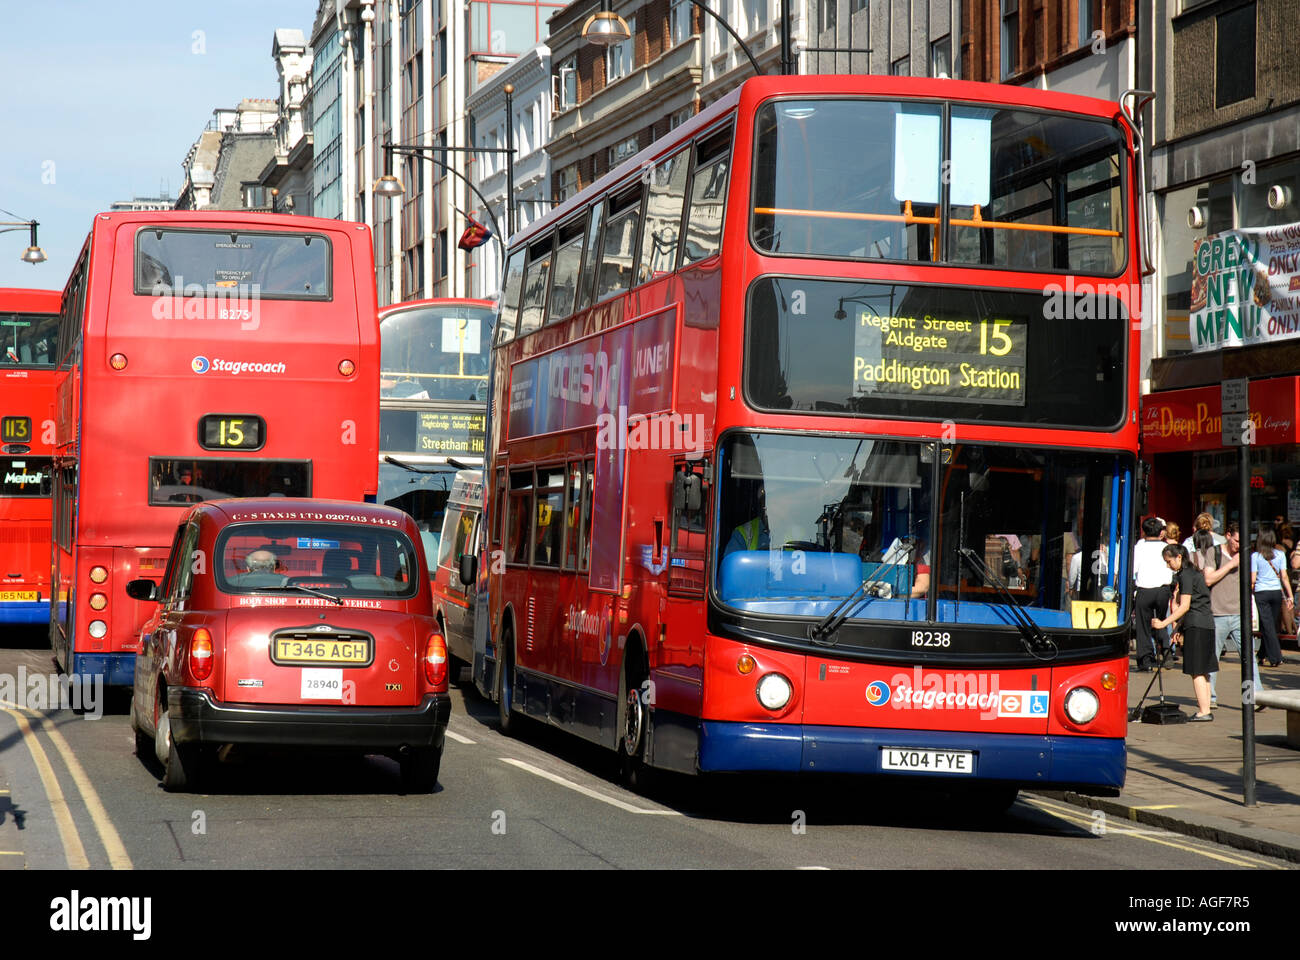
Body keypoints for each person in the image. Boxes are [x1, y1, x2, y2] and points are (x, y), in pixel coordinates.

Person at [1197, 522, 1261, 709]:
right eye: (1236, 541)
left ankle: (1253, 697)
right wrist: (1231, 564)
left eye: (1243, 542)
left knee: (1248, 657)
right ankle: (1210, 698)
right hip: (1217, 613)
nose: (1239, 545)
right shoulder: (1213, 553)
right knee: (1212, 658)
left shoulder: (1246, 555)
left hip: (1240, 614)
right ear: (1227, 535)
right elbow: (1208, 579)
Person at [1151, 544, 1217, 721]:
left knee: (1197, 670)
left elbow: (1185, 606)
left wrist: (1164, 623)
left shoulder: (1186, 575)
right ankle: (1206, 707)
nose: (1168, 565)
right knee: (1204, 670)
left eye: (1169, 561)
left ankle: (1204, 711)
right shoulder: (1193, 573)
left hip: (1197, 625)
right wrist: (1178, 627)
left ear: (1179, 557)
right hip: (1206, 623)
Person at [1132, 516, 1173, 671]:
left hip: (1144, 589)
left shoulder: (1139, 548)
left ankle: (1146, 659)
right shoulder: (1166, 547)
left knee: (1143, 625)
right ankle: (1166, 651)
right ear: (1160, 532)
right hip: (1163, 589)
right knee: (1161, 620)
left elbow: (1133, 569)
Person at [1251, 528, 1293, 667]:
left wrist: (1250, 594)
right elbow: (1284, 577)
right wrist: (1290, 596)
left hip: (1261, 592)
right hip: (1276, 592)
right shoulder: (1280, 555)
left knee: (1267, 626)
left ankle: (1275, 657)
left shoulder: (1255, 556)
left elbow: (1253, 579)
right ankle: (1262, 654)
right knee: (1269, 625)